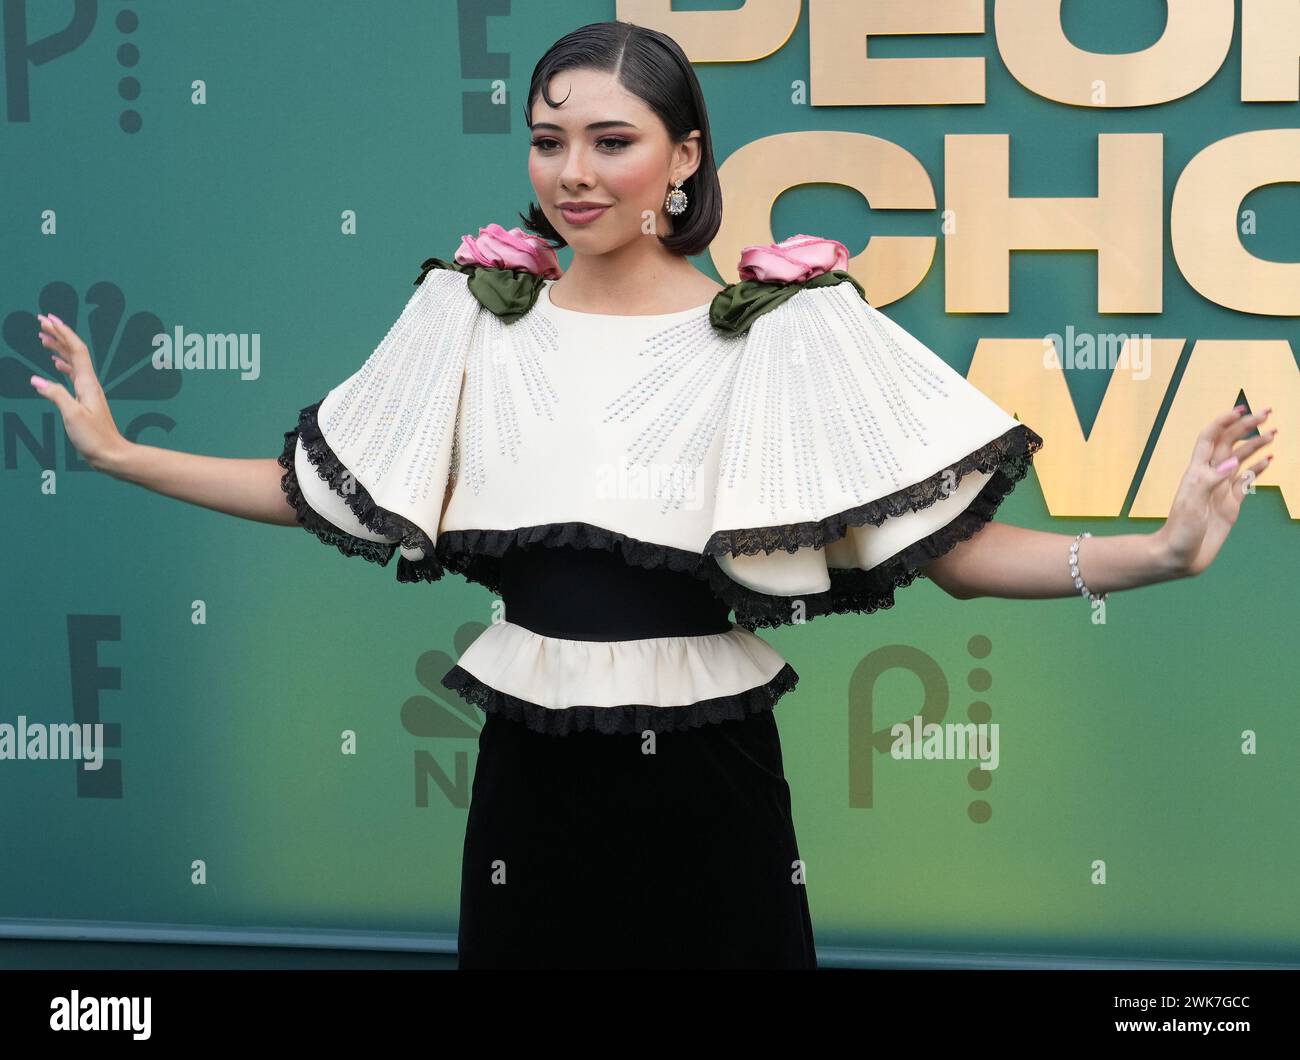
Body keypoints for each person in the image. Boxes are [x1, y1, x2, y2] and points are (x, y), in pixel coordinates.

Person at [29, 20, 1273, 970]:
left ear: (683, 159)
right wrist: (123, 453)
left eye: (612, 141)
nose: (574, 172)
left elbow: (951, 552)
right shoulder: (467, 318)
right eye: (548, 138)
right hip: (531, 766)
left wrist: (1157, 552)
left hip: (711, 775)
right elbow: (323, 492)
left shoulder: (785, 333)